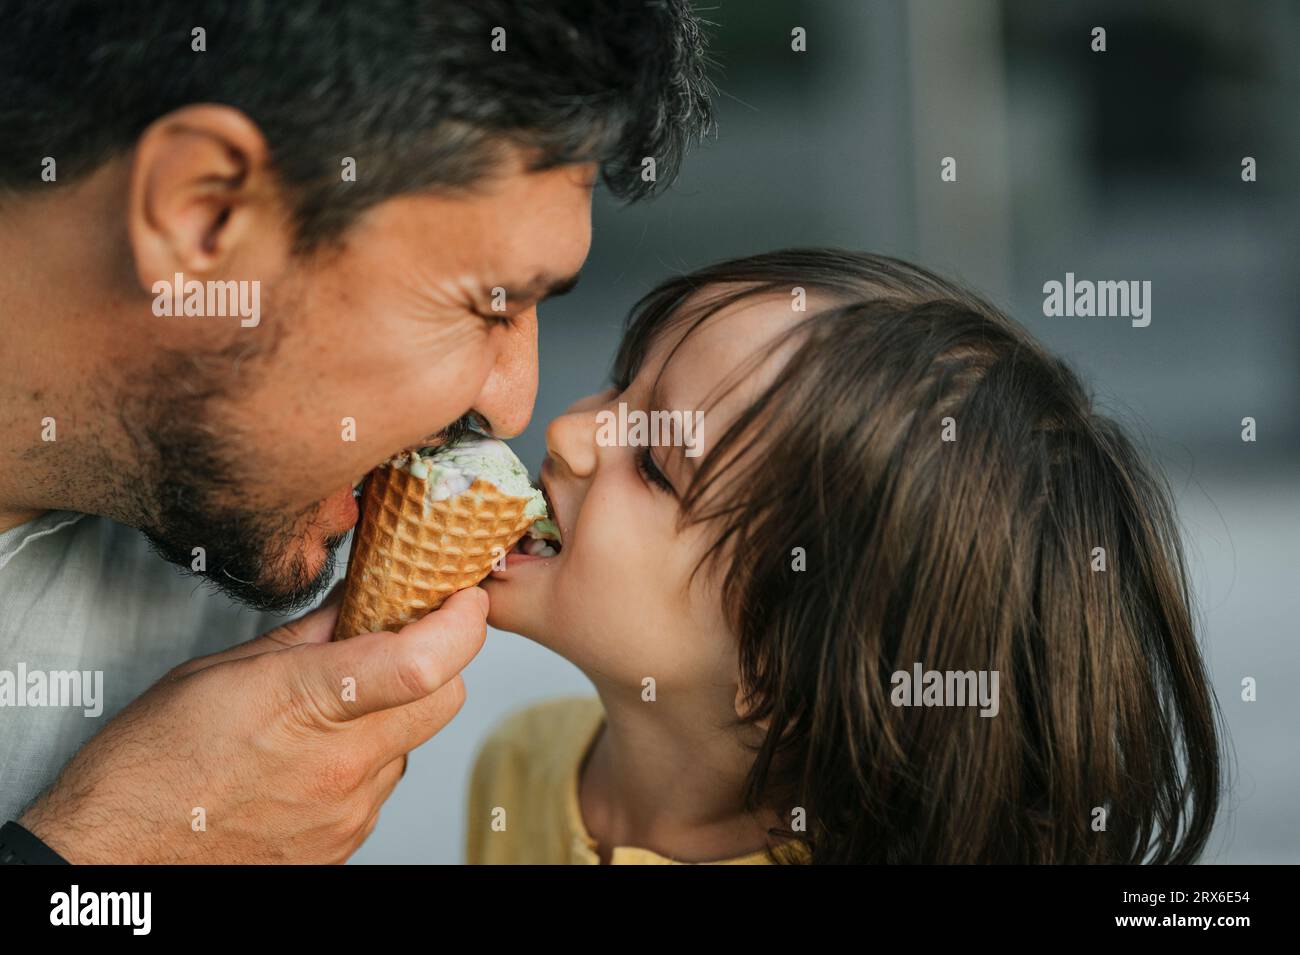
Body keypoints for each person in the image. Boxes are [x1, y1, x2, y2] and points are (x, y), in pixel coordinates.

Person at [0, 1, 712, 864]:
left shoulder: (246, 538)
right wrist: (111, 855)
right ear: (203, 213)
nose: (519, 406)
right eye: (488, 304)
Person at [467, 249, 1223, 864]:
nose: (569, 432)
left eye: (656, 464)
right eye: (622, 379)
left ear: (780, 664)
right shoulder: (525, 761)